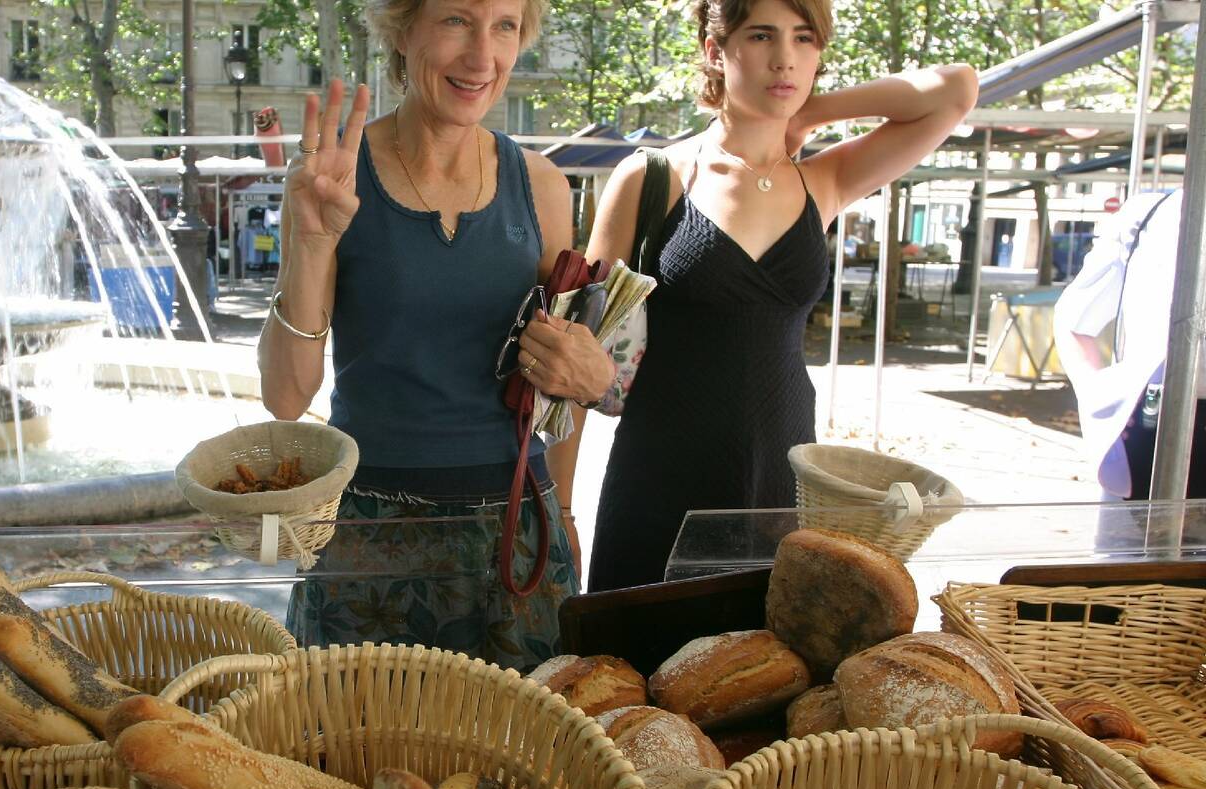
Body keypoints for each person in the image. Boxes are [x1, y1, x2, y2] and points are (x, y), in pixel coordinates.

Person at [556, 0, 977, 592]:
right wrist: (562, 511)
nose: (785, 59)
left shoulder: (824, 181)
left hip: (784, 478)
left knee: (772, 646)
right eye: (761, 36)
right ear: (715, 50)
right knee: (643, 645)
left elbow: (956, 90)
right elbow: (574, 356)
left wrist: (811, 110)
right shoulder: (651, 178)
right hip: (660, 478)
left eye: (804, 39)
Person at [257, 0, 615, 668]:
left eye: (504, 26)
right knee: (360, 733)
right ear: (402, 28)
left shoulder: (541, 185)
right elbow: (285, 396)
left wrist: (570, 491)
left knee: (520, 734)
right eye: (456, 20)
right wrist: (311, 243)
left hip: (518, 533)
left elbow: (559, 389)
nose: (482, 56)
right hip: (368, 535)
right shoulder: (336, 176)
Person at [1054, 190, 1206, 501]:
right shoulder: (1152, 213)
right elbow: (1074, 321)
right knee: (1150, 528)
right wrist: (1099, 398)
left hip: (1159, 420)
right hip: (1158, 422)